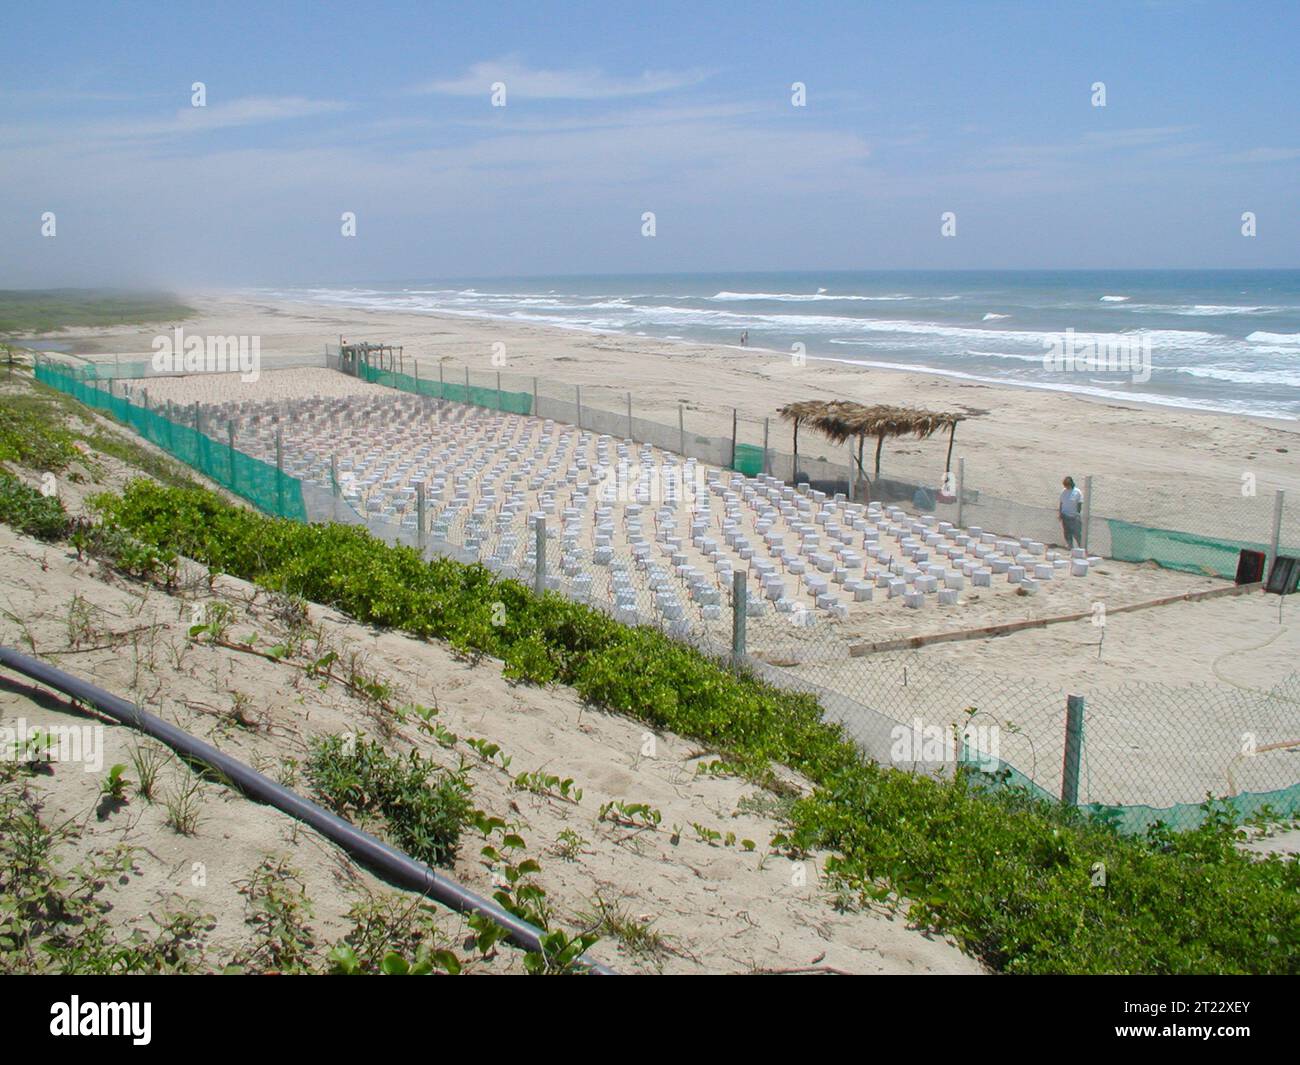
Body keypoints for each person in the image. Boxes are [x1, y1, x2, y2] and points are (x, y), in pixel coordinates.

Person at [1059, 476, 1084, 549]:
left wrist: (1077, 514)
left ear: (1071, 484)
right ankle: (1070, 545)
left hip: (1074, 516)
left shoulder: (1077, 492)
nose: (1066, 487)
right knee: (1067, 532)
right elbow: (1061, 503)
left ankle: (1081, 547)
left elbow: (1079, 504)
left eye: (1067, 485)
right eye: (1065, 485)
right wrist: (1060, 513)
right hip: (1065, 515)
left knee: (1077, 533)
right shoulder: (1064, 491)